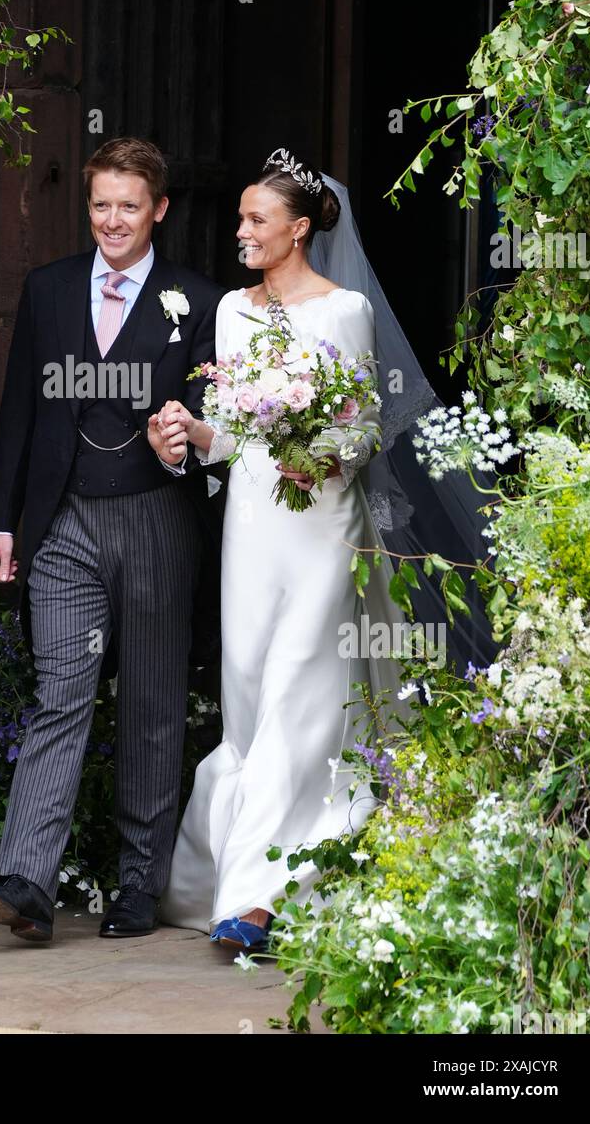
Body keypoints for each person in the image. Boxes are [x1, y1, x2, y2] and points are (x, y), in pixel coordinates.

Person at [151, 148, 418, 952]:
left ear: (299, 229)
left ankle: (253, 902)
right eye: (240, 218)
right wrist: (191, 431)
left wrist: (331, 450)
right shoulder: (232, 311)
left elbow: (368, 427)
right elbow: (231, 434)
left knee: (304, 692)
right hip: (254, 526)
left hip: (322, 524)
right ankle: (238, 877)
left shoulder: (344, 312)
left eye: (255, 220)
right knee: (251, 696)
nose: (240, 231)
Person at [0, 136, 223, 944]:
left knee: (151, 700)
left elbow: (218, 425)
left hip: (155, 515)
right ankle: (27, 883)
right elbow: (19, 413)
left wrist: (178, 441)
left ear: (159, 210)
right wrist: (2, 520)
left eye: (128, 205)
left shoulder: (200, 301)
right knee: (60, 694)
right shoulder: (47, 291)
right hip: (66, 520)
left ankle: (140, 887)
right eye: (100, 205)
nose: (112, 220)